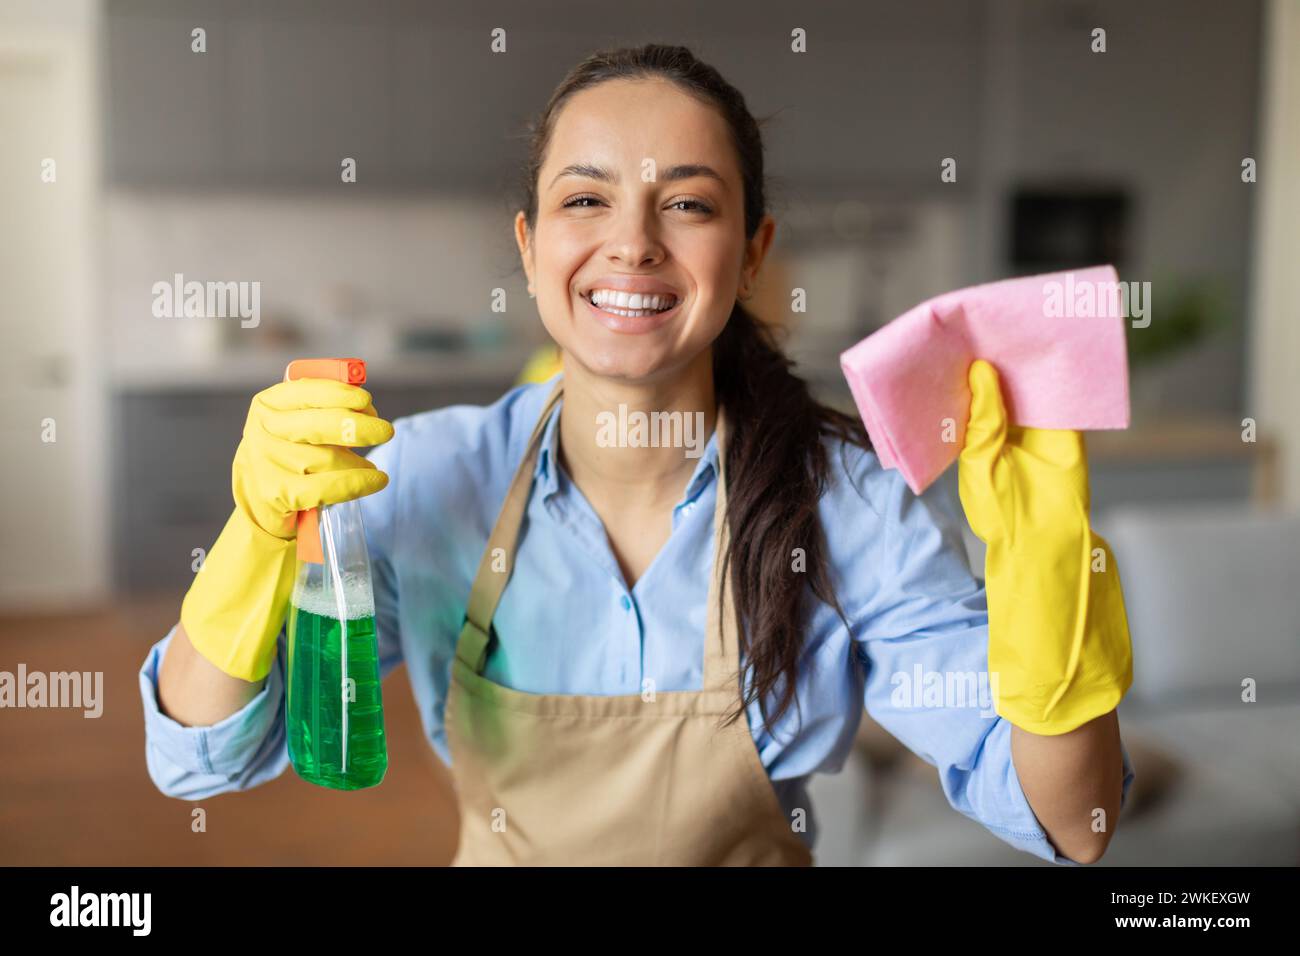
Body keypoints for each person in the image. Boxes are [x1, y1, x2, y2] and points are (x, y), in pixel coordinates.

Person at [140, 44, 1135, 866]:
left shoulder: (841, 505)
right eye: (585, 200)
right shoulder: (430, 477)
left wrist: (1047, 589)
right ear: (528, 248)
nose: (632, 243)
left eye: (689, 204)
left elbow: (1072, 822)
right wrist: (257, 539)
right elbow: (196, 757)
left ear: (750, 250)